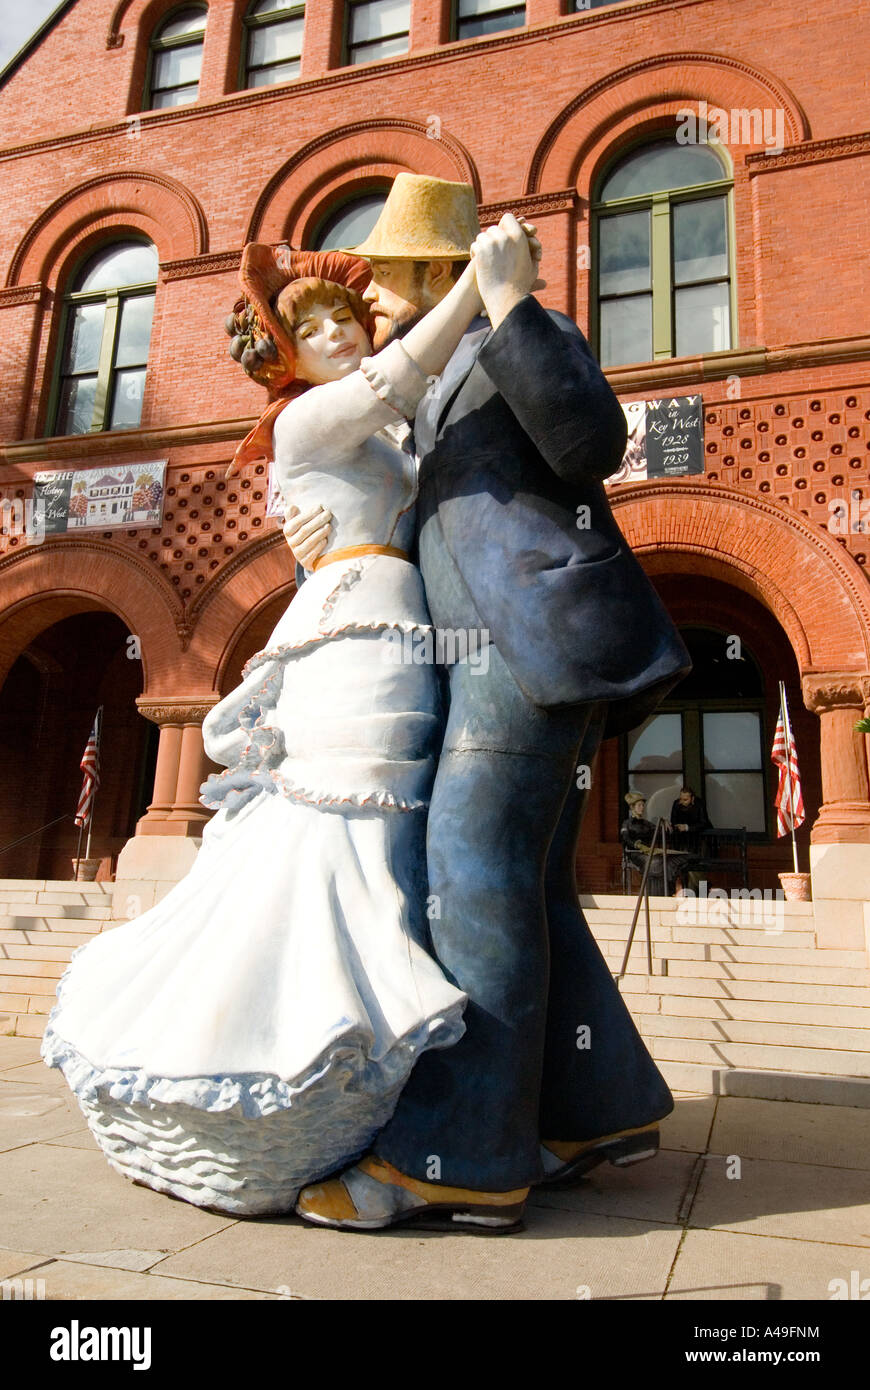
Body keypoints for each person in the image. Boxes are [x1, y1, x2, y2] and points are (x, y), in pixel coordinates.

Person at [40, 243, 498, 1217]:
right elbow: (394, 379)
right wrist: (479, 279)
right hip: (350, 634)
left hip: (385, 618)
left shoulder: (361, 430)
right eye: (314, 328)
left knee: (368, 833)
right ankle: (273, 1053)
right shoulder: (304, 420)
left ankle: (334, 1052)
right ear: (284, 357)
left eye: (345, 315)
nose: (340, 333)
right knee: (333, 824)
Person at [287, 175, 693, 1233]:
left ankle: (455, 1156)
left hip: (526, 646)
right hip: (480, 653)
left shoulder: (514, 329)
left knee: (469, 882)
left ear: (439, 269)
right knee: (527, 884)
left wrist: (510, 303)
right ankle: (590, 1108)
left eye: (385, 277)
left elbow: (590, 444)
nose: (370, 296)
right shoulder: (424, 382)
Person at [620, 790, 688, 896]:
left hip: (650, 852)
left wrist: (666, 824)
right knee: (656, 862)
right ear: (632, 807)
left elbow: (660, 831)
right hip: (635, 853)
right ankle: (655, 893)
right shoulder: (627, 823)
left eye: (643, 805)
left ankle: (666, 891)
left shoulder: (646, 823)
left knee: (668, 860)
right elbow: (625, 838)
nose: (642, 807)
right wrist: (637, 845)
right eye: (639, 805)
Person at [669, 785, 712, 853]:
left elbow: (704, 823)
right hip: (683, 836)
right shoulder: (676, 803)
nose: (682, 802)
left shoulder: (700, 803)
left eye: (685, 799)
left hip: (699, 836)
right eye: (681, 799)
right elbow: (673, 820)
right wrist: (676, 825)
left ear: (692, 798)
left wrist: (687, 827)